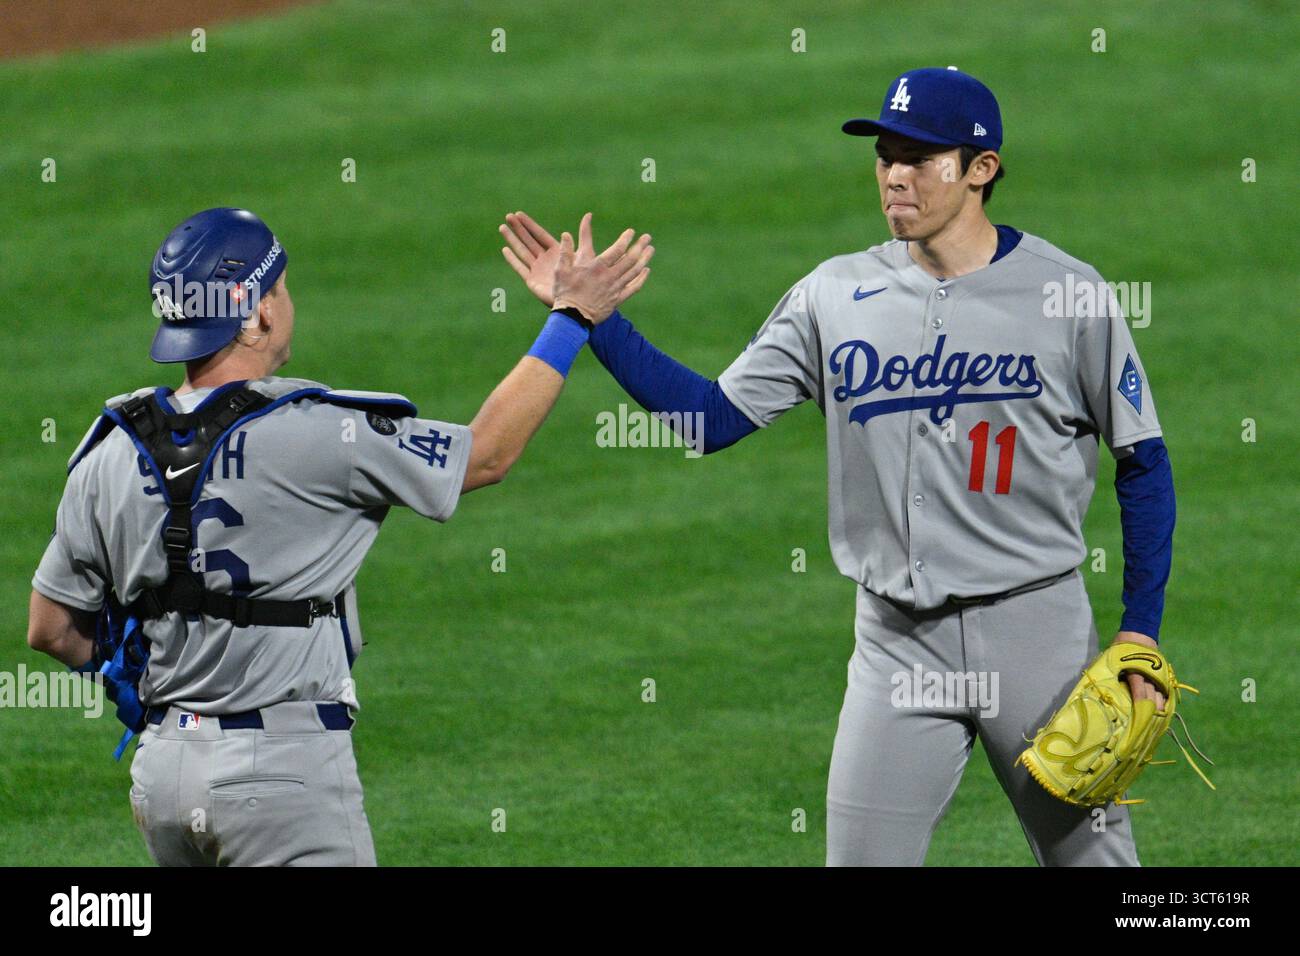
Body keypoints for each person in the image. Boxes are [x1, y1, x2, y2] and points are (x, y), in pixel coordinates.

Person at [498, 67, 1175, 866]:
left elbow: (1143, 463)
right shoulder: (835, 293)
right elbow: (710, 420)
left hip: (1036, 638)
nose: (895, 174)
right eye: (886, 154)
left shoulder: (1070, 295)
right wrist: (588, 320)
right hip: (894, 642)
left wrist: (1140, 628)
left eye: (920, 157)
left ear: (981, 168)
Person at [27, 206, 652, 866]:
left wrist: (158, 690)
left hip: (163, 778)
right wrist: (571, 317)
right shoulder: (319, 432)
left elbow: (50, 629)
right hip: (279, 779)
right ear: (257, 313)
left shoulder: (107, 453)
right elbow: (488, 452)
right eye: (282, 288)